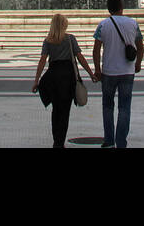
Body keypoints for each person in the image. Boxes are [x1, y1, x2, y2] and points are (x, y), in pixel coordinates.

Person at [31, 13, 96, 147]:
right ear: (64, 25)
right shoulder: (70, 39)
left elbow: (42, 61)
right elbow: (80, 58)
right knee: (65, 111)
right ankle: (60, 141)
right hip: (68, 77)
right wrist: (91, 74)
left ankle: (57, 141)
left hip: (53, 76)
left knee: (56, 110)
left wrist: (36, 80)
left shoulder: (48, 41)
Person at [93, 0, 143, 148]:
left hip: (108, 72)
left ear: (108, 9)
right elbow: (140, 47)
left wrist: (97, 69)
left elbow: (96, 50)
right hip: (127, 71)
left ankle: (109, 140)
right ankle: (121, 142)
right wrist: (138, 63)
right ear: (122, 7)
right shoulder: (133, 23)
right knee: (124, 107)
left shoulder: (103, 25)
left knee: (107, 107)